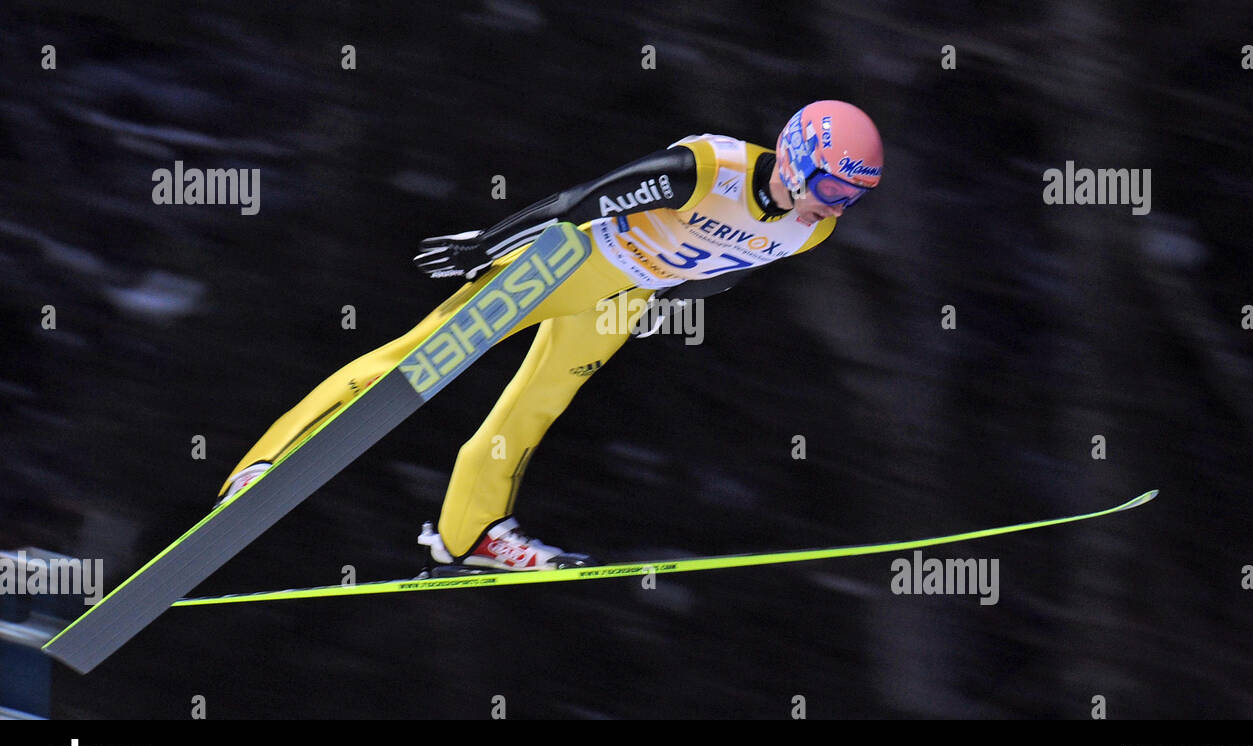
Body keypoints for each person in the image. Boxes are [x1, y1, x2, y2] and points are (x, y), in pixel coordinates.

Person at [215, 100, 883, 572]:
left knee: (536, 406)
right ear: (797, 158)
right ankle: (262, 465)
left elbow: (729, 270)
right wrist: (485, 246)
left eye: (852, 197)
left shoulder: (811, 228)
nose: (835, 204)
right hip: (565, 263)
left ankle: (468, 533)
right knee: (417, 360)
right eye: (830, 185)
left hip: (624, 297)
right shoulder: (707, 169)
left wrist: (665, 294)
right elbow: (582, 199)